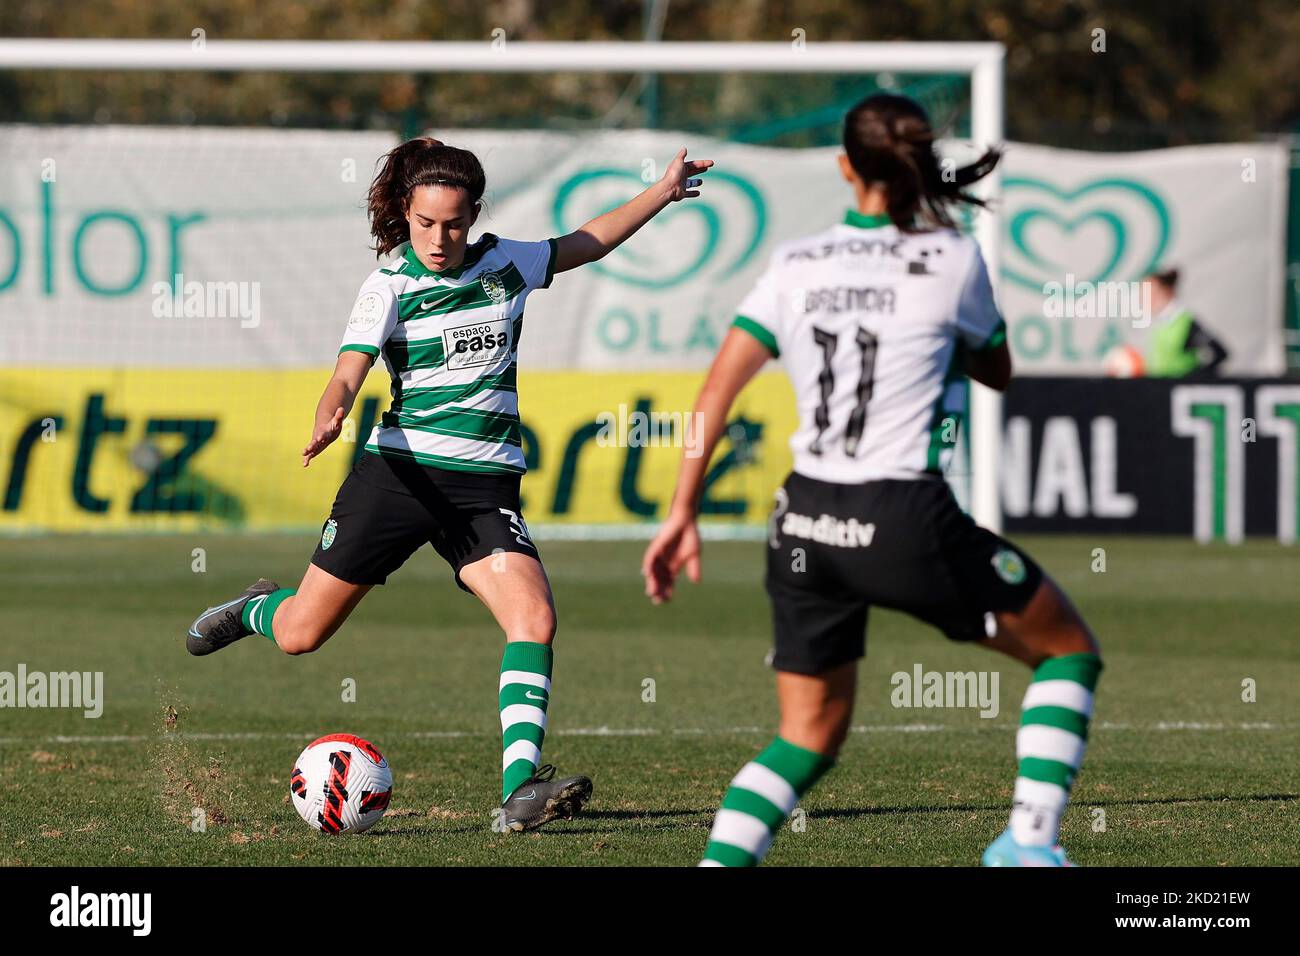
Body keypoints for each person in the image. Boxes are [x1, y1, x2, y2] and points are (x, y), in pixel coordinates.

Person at [187, 136, 713, 832]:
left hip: (483, 492)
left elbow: (589, 241)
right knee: (300, 635)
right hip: (399, 480)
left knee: (535, 620)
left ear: (474, 216)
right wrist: (333, 406)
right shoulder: (389, 285)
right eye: (427, 223)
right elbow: (350, 367)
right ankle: (258, 607)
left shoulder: (507, 264)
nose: (441, 238)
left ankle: (520, 791)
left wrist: (663, 191)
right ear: (405, 214)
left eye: (455, 224)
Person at [641, 93, 1103, 867]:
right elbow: (998, 371)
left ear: (845, 166)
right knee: (1066, 653)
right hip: (900, 514)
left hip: (804, 522)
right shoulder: (952, 257)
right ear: (917, 166)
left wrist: (681, 510)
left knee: (806, 736)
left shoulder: (796, 262)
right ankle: (1027, 842)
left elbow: (717, 390)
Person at [1144, 267, 1228, 378]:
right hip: (1160, 390)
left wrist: (1190, 381)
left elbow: (1219, 353)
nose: (1145, 299)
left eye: (1150, 293)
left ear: (1166, 292)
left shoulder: (1184, 322)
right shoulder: (1161, 325)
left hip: (1176, 390)